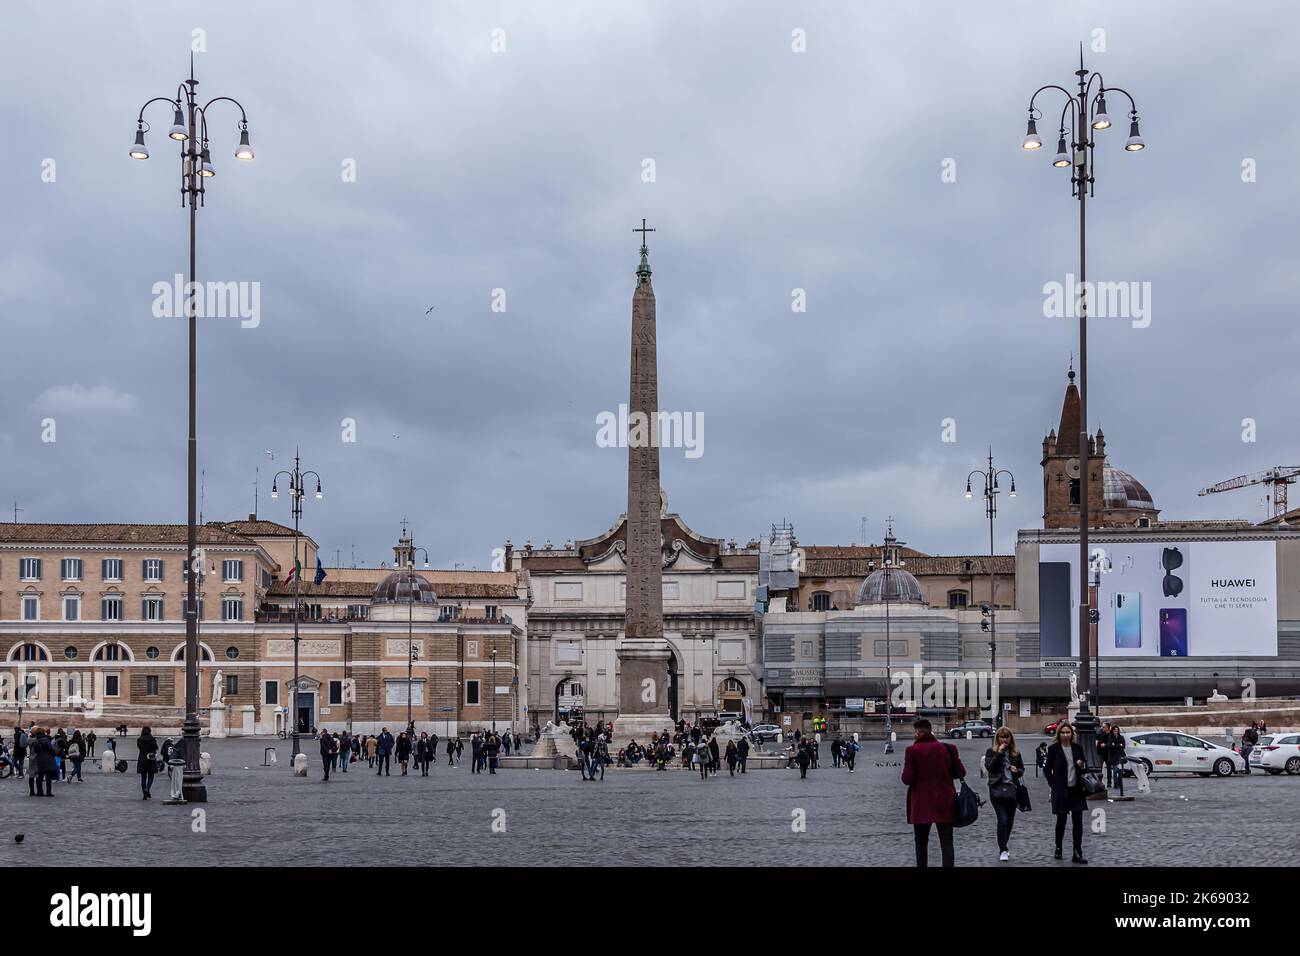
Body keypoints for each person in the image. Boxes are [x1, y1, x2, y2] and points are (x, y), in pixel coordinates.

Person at [901, 718, 964, 868]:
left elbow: (906, 778)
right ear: (931, 731)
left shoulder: (912, 751)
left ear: (917, 732)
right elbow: (960, 773)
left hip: (922, 804)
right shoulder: (949, 748)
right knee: (947, 843)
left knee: (921, 843)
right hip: (945, 801)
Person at [1043, 722, 1088, 863]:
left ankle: (1077, 852)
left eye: (1068, 732)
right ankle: (1058, 847)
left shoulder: (1077, 748)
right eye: (1063, 732)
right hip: (1061, 790)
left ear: (1072, 734)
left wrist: (1082, 765)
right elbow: (1047, 769)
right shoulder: (1054, 749)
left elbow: (1084, 767)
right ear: (1059, 734)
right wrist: (1053, 784)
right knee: (1061, 820)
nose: (1065, 735)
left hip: (1076, 790)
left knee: (1078, 823)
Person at [985, 727, 1025, 862]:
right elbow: (990, 767)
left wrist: (1017, 770)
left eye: (1007, 737)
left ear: (1010, 738)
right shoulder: (991, 751)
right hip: (996, 790)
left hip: (1012, 790)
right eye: (1002, 737)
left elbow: (1022, 769)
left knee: (1009, 822)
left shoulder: (1015, 753)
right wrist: (1000, 753)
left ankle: (1004, 845)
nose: (1004, 739)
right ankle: (1003, 849)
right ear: (998, 738)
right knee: (1002, 820)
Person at [28, 727, 56, 797]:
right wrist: (53, 753)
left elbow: (36, 751)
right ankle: (48, 792)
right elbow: (51, 749)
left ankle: (39, 792)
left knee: (40, 776)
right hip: (48, 760)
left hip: (40, 759)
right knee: (48, 777)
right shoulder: (46, 740)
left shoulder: (36, 740)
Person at [136, 727, 158, 800]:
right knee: (151, 776)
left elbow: (139, 747)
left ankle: (144, 793)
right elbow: (156, 747)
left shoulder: (139, 740)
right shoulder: (152, 740)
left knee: (143, 777)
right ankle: (147, 788)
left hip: (142, 759)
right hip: (151, 759)